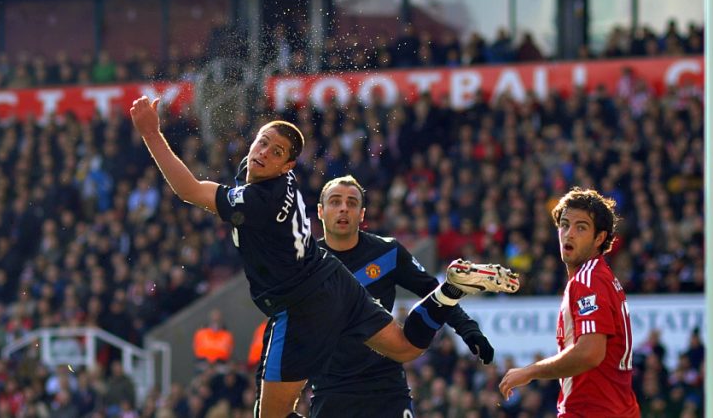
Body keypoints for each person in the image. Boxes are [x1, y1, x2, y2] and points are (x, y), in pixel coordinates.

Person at [129, 96, 519, 418]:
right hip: (331, 281)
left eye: (276, 150)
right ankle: (452, 289)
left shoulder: (259, 200)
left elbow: (188, 190)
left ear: (288, 165)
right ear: (320, 210)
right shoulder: (283, 182)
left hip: (301, 308)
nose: (264, 152)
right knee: (406, 347)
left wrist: (151, 132)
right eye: (262, 142)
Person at [308, 175, 493, 417]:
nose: (344, 208)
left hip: (386, 387)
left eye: (352, 203)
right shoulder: (307, 264)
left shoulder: (388, 253)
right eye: (335, 201)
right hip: (331, 390)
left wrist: (468, 328)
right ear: (321, 211)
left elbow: (434, 291)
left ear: (362, 214)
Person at [499, 187, 639, 417]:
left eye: (581, 227)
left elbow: (590, 353)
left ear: (599, 238)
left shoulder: (588, 280)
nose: (569, 233)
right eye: (564, 225)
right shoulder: (598, 276)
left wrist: (531, 371)